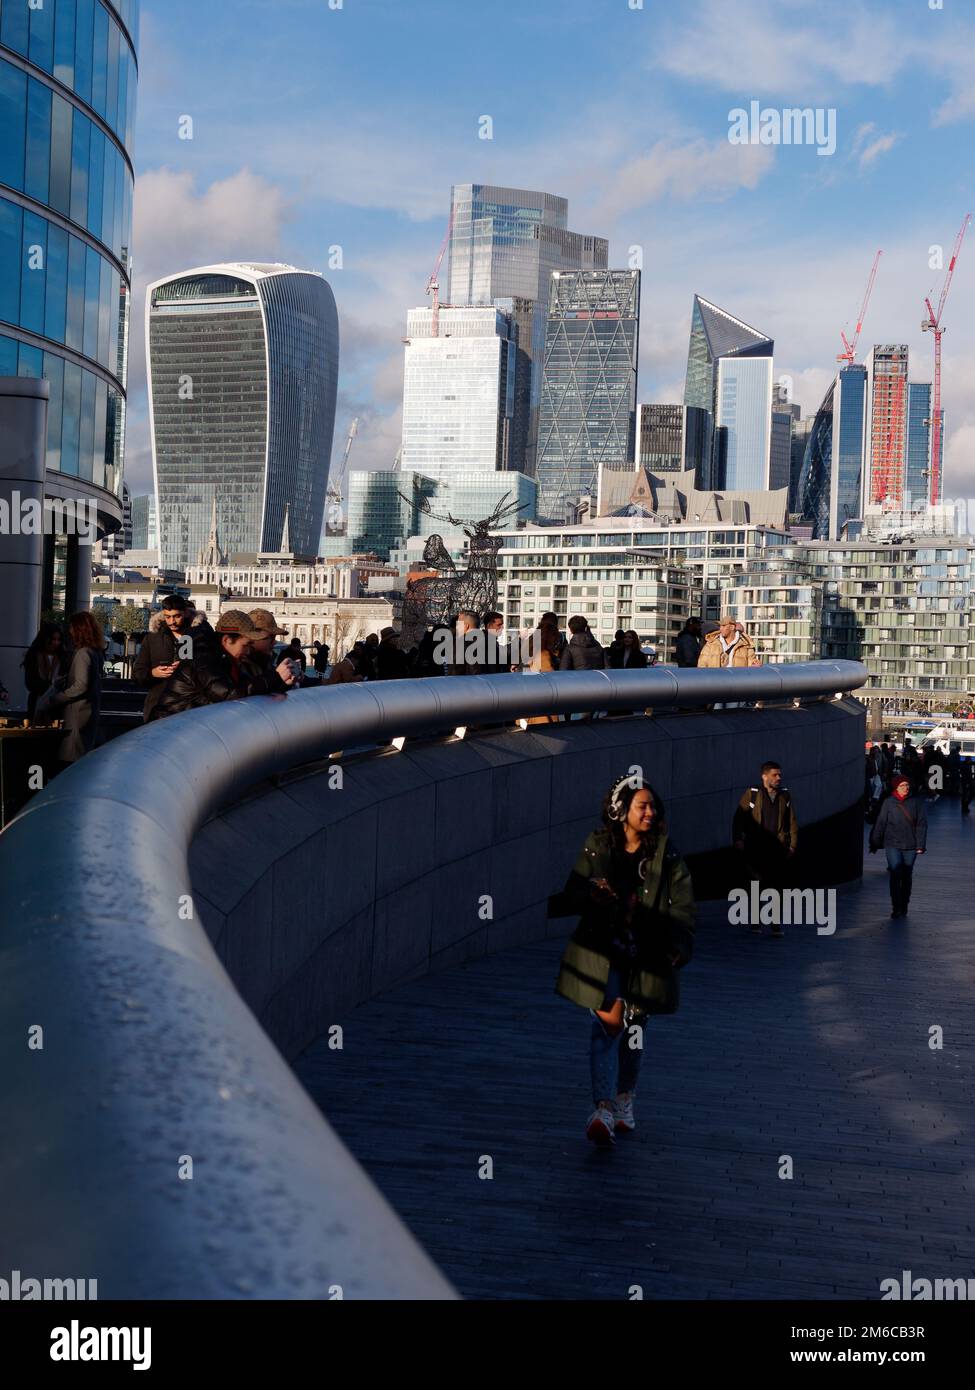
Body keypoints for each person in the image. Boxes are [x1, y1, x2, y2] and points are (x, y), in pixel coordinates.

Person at [549, 773, 695, 1147]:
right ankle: (603, 1108)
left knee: (633, 1030)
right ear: (621, 810)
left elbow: (682, 901)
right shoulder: (598, 846)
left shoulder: (665, 851)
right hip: (603, 950)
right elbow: (572, 891)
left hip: (646, 952)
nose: (649, 812)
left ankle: (625, 1097)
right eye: (641, 806)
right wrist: (591, 895)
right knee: (608, 1024)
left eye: (652, 806)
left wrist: (678, 942)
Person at [151, 611, 295, 720]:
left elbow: (246, 688)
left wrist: (282, 682)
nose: (248, 650)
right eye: (245, 645)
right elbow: (229, 695)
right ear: (227, 640)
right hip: (166, 729)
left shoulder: (225, 659)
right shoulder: (203, 659)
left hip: (185, 724)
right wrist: (275, 676)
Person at [732, 761, 798, 938]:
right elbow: (738, 817)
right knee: (756, 885)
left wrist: (792, 845)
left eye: (780, 775)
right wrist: (738, 839)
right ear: (764, 776)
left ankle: (775, 923)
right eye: (775, 775)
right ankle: (755, 922)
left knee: (777, 887)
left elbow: (791, 821)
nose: (779, 778)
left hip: (777, 849)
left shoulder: (785, 796)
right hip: (756, 848)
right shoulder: (753, 794)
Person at [132, 593, 216, 722]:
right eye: (168, 617)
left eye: (177, 616)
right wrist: (153, 673)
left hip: (193, 708)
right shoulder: (153, 638)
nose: (172, 622)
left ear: (186, 613)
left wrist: (188, 668)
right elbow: (137, 674)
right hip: (158, 708)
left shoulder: (201, 634)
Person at [42, 611, 105, 764]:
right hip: (88, 711)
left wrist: (56, 698)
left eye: (71, 627)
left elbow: (81, 685)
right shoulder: (95, 652)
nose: (69, 631)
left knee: (70, 756)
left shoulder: (83, 653)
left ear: (78, 630)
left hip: (77, 713)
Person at [869, 773, 928, 919]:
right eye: (902, 786)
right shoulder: (889, 802)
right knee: (896, 874)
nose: (906, 788)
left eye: (907, 785)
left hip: (911, 845)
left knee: (907, 875)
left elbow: (921, 824)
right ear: (896, 787)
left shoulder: (916, 802)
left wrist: (920, 845)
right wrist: (875, 842)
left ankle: (904, 904)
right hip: (892, 844)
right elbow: (881, 823)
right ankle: (896, 907)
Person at [21, 621, 67, 723]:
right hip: (37, 702)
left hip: (56, 705)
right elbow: (31, 683)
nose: (56, 643)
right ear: (45, 639)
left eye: (58, 640)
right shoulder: (34, 656)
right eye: (53, 639)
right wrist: (52, 684)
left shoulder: (63, 658)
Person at [246, 610, 302, 691]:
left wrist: (286, 683)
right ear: (253, 637)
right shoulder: (238, 665)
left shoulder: (264, 662)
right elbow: (242, 694)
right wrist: (276, 676)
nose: (274, 642)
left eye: (274, 638)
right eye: (270, 638)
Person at [524, 621, 563, 725]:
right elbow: (551, 680)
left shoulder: (531, 652)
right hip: (543, 708)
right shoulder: (544, 655)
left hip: (529, 703)